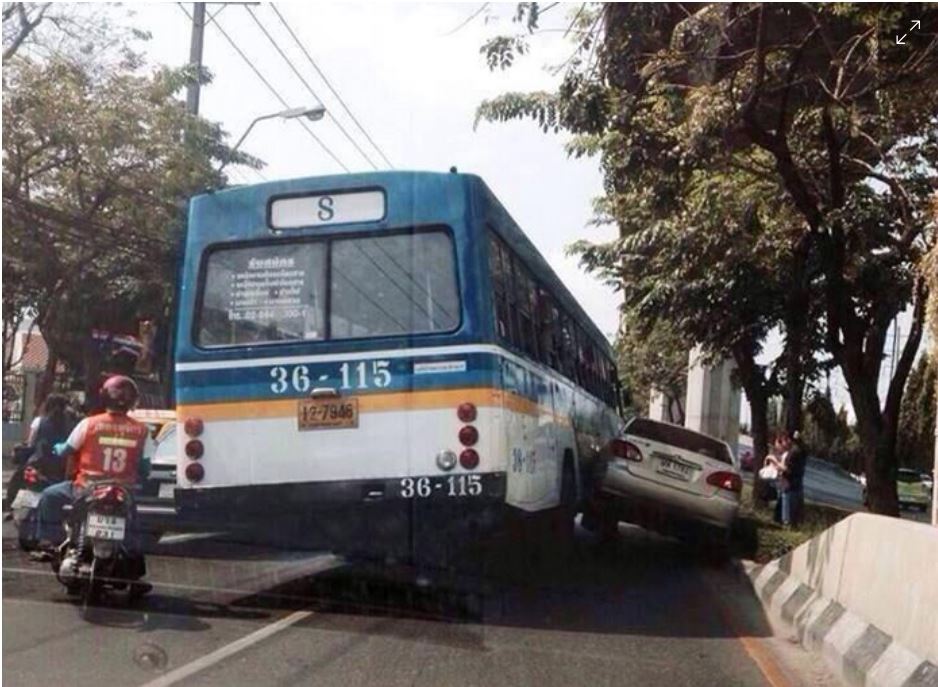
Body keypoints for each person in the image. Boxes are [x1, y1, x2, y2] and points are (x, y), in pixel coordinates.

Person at [33, 376, 150, 558]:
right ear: (133, 401)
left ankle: (48, 543)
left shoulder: (89, 424)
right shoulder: (142, 430)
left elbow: (66, 449)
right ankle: (135, 568)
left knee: (49, 496)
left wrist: (56, 449)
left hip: (86, 488)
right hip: (122, 491)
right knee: (133, 524)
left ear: (104, 397)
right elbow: (146, 466)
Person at [4, 394, 75, 512]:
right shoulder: (72, 426)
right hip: (62, 468)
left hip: (39, 464)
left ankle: (8, 509)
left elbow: (30, 443)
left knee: (17, 479)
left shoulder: (39, 421)